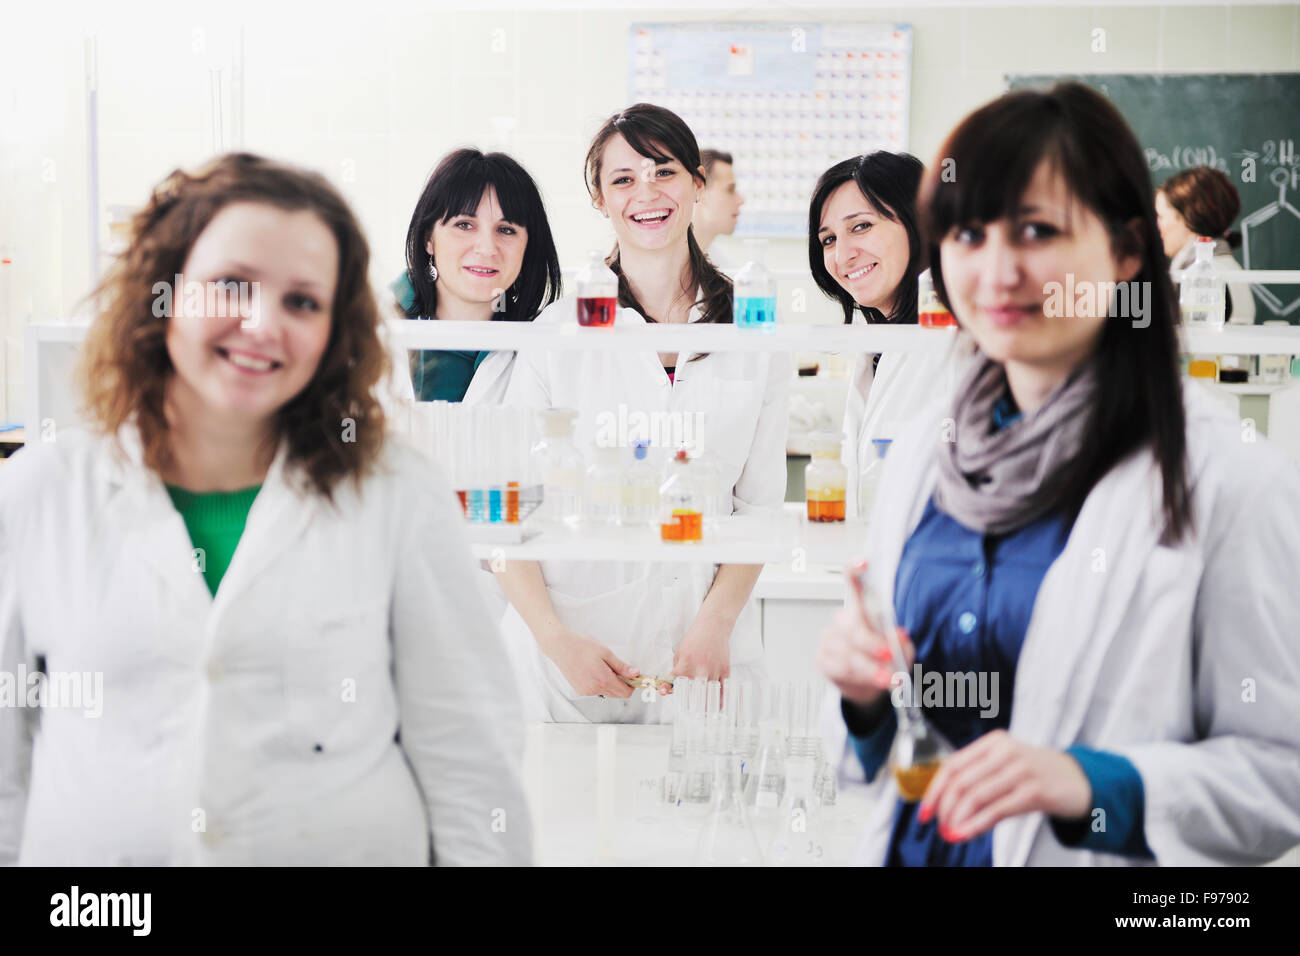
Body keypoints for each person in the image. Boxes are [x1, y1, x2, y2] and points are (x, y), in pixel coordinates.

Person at [0, 153, 531, 865]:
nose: (261, 323)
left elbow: (470, 765)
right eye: (230, 285)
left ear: (335, 330)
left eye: (303, 301)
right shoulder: (43, 493)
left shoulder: (397, 494)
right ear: (164, 292)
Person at [817, 83, 1300, 866]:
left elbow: (1283, 774)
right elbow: (893, 748)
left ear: (1128, 250)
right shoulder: (923, 457)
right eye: (970, 233)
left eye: (1038, 231)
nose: (998, 270)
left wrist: (1087, 782)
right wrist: (864, 700)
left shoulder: (1230, 481)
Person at [498, 104, 791, 723]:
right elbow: (507, 509)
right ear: (600, 199)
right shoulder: (558, 333)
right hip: (573, 663)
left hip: (705, 655)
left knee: (702, 814)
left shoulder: (754, 327)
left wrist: (716, 622)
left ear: (696, 185)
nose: (647, 194)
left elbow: (760, 508)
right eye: (623, 179)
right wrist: (556, 642)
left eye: (664, 172)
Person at [809, 152, 963, 518]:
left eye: (861, 226)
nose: (843, 255)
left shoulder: (959, 336)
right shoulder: (877, 346)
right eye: (828, 239)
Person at [392, 148, 562, 403]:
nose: (486, 248)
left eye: (506, 230)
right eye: (464, 225)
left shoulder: (544, 347)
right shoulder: (365, 326)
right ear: (429, 238)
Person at [1155, 165, 1255, 324]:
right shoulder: (1223, 265)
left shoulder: (1203, 278)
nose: (1156, 226)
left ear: (1187, 219)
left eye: (1160, 217)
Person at [691, 148, 745, 255]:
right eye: (730, 189)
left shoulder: (718, 264)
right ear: (698, 188)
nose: (741, 201)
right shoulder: (663, 262)